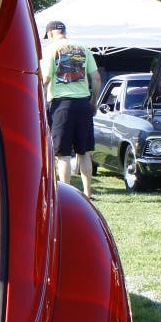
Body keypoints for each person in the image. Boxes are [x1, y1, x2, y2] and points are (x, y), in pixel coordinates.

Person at [40, 20, 101, 198]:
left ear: (50, 34)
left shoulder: (50, 50)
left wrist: (41, 102)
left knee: (63, 154)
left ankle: (64, 194)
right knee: (84, 151)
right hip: (83, 104)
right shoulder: (84, 48)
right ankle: (87, 193)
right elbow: (96, 78)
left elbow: (46, 80)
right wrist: (93, 101)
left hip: (61, 105)